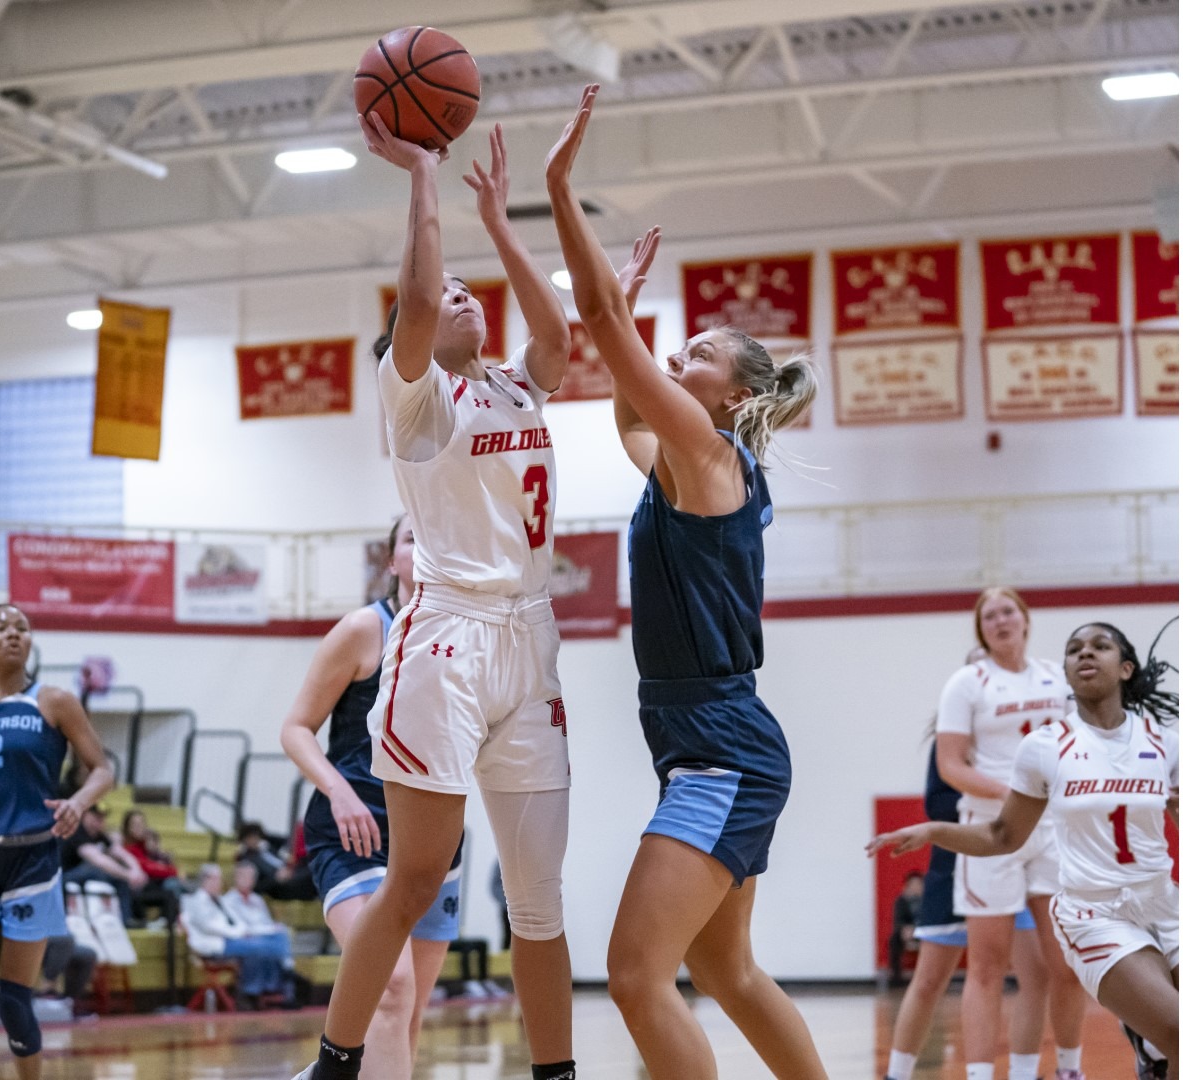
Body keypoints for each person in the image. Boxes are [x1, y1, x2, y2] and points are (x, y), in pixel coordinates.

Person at [543, 83, 827, 1080]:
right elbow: (625, 416)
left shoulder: (709, 455)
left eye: (697, 353)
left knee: (633, 974)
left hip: (719, 748)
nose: (678, 355)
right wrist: (623, 330)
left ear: (738, 393)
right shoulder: (684, 464)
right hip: (707, 737)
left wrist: (559, 190)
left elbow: (605, 327)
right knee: (729, 972)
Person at [293, 111, 576, 1080]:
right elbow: (417, 295)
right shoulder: (416, 397)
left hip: (531, 639)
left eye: (471, 293)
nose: (461, 297)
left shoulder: (517, 387)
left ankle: (557, 1072)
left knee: (539, 897)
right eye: (446, 294)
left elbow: (561, 335)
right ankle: (337, 1063)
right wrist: (423, 179)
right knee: (416, 877)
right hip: (448, 636)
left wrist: (499, 218)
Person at [870, 622, 1180, 1074]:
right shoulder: (1045, 748)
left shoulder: (1166, 744)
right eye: (1074, 649)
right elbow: (1002, 836)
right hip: (1096, 914)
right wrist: (937, 829)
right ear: (1067, 677)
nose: (1085, 653)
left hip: (1167, 905)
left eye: (1100, 646)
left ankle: (1151, 1053)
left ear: (1126, 668)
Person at [280, 516, 463, 1078]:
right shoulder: (364, 628)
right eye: (411, 538)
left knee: (405, 1016)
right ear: (392, 561)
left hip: (432, 836)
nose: (425, 545)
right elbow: (295, 728)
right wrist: (336, 790)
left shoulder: (463, 636)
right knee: (391, 989)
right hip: (354, 828)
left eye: (435, 535)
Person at [0, 603, 114, 1080]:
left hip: (32, 858)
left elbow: (104, 769)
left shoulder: (53, 701)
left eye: (22, 628)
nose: (14, 633)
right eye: (1, 627)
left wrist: (78, 802)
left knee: (14, 1000)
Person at [934, 588, 1089, 1080]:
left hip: (1052, 830)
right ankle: (981, 1075)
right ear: (981, 629)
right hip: (990, 830)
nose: (1000, 620)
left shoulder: (1054, 678)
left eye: (1008, 611)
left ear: (1025, 619)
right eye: (989, 615)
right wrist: (1014, 794)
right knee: (986, 966)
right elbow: (950, 765)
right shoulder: (967, 682)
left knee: (1065, 965)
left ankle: (1064, 1069)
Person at [884, 649, 1051, 1080]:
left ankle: (1024, 1071)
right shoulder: (952, 742)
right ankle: (897, 1074)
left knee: (1036, 975)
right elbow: (937, 801)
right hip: (960, 862)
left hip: (1017, 861)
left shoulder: (1024, 738)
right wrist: (995, 800)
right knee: (929, 980)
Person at [182, 863, 296, 1006]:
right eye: (215, 879)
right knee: (259, 947)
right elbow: (209, 927)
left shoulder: (219, 900)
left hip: (229, 940)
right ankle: (282, 975)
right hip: (214, 945)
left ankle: (277, 980)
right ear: (205, 880)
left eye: (219, 879)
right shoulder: (194, 900)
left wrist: (243, 931)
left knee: (275, 937)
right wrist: (239, 933)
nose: (219, 883)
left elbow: (237, 922)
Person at [61, 805, 146, 928]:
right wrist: (128, 875)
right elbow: (98, 860)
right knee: (99, 870)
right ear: (86, 815)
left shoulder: (100, 835)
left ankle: (126, 919)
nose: (100, 821)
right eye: (97, 817)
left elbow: (121, 853)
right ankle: (96, 918)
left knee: (117, 877)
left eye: (102, 818)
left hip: (85, 875)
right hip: (66, 876)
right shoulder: (77, 832)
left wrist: (136, 870)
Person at [119, 811, 184, 926]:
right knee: (171, 888)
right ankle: (169, 922)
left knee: (177, 886)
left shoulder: (146, 846)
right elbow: (149, 868)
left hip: (150, 886)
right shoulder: (128, 848)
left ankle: (172, 921)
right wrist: (173, 871)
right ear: (127, 828)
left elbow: (163, 862)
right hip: (136, 892)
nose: (140, 828)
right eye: (135, 825)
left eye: (142, 824)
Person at [888, 872, 923, 986]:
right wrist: (905, 929)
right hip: (906, 933)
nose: (916, 887)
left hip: (923, 932)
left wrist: (917, 929)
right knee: (894, 940)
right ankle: (896, 978)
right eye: (913, 884)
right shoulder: (901, 901)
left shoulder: (928, 901)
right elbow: (898, 920)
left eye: (918, 884)